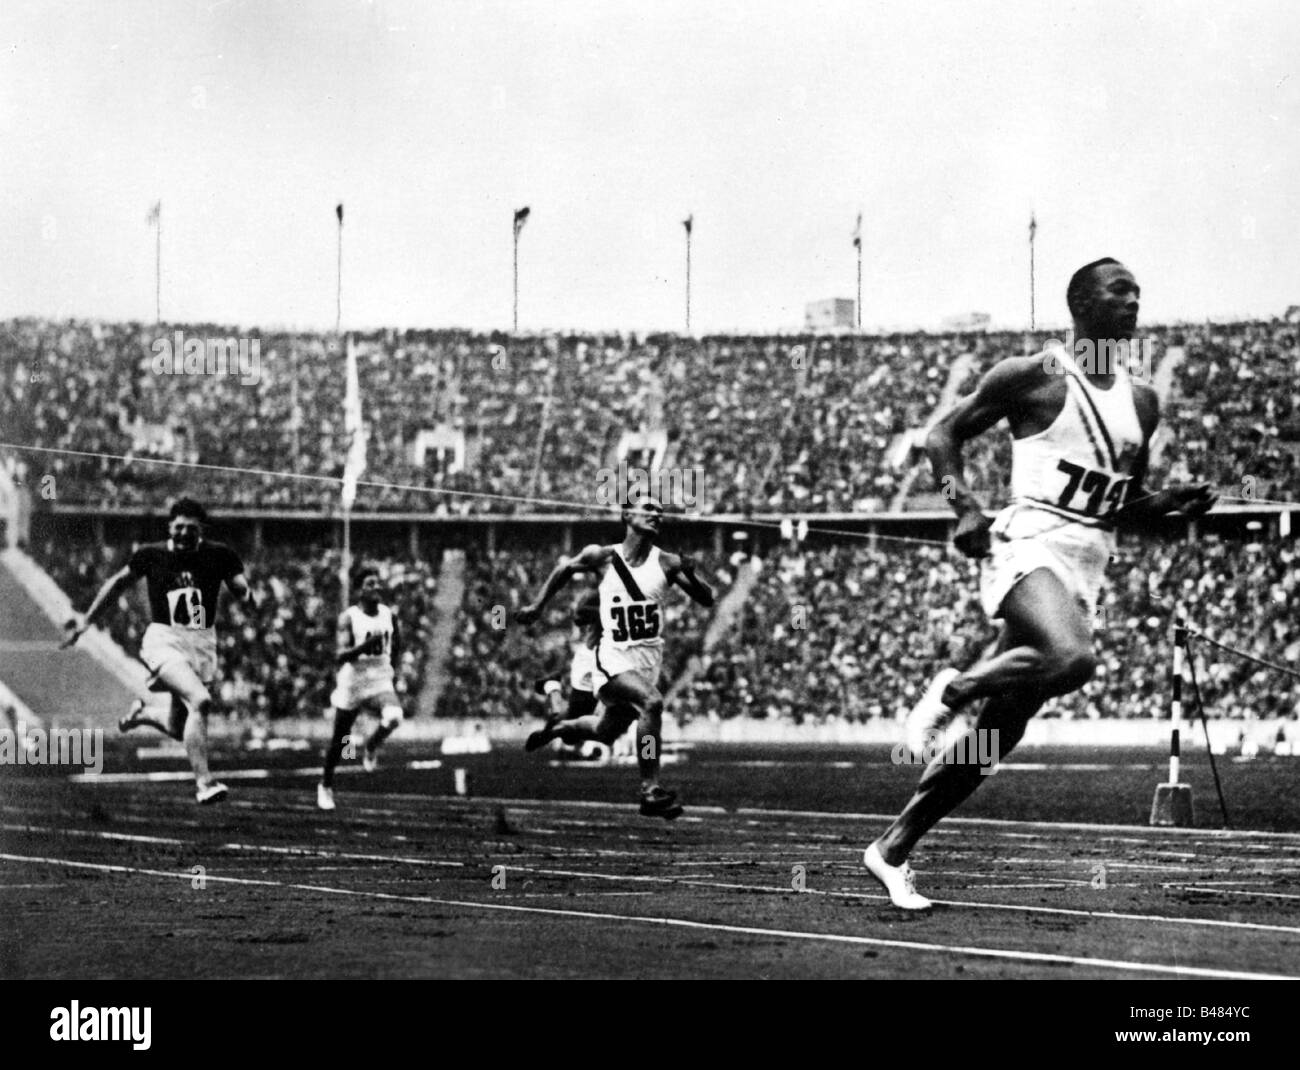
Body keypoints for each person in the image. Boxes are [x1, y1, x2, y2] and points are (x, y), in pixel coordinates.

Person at [866, 259, 1216, 908]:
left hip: (1086, 565)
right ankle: (955, 687)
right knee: (1070, 657)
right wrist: (963, 506)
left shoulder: (1143, 401)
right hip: (1026, 545)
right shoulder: (1034, 374)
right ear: (1081, 302)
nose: (1134, 300)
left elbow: (1119, 505)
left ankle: (891, 850)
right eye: (1119, 290)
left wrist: (1167, 503)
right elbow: (942, 434)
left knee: (998, 734)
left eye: (1139, 291)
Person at [516, 497, 714, 819]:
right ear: (627, 514)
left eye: (659, 512)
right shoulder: (603, 556)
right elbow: (564, 569)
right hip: (612, 659)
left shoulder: (666, 562)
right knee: (652, 703)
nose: (656, 515)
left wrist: (692, 574)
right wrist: (538, 606)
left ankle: (557, 728)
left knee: (605, 732)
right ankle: (650, 789)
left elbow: (706, 598)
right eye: (648, 508)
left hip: (647, 663)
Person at [63, 498, 255, 804]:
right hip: (164, 639)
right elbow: (117, 584)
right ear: (170, 527)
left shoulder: (219, 554)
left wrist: (246, 594)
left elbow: (239, 584)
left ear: (200, 530)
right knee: (200, 701)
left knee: (179, 728)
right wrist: (87, 621)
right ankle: (204, 782)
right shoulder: (151, 555)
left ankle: (143, 713)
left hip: (202, 642)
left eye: (190, 529)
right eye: (178, 527)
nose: (182, 534)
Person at [317, 567, 405, 811]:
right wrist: (364, 646)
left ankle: (371, 745)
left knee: (395, 716)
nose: (376, 588)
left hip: (379, 679)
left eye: (377, 583)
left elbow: (397, 644)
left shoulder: (389, 615)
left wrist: (393, 670)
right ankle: (325, 785)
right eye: (369, 584)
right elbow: (339, 655)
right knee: (340, 740)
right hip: (353, 681)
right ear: (358, 590)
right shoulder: (349, 618)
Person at [526, 583, 602, 750]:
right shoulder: (575, 720)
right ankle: (551, 685)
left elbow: (556, 722)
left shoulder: (568, 718)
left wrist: (544, 736)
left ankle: (551, 685)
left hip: (588, 667)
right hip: (592, 666)